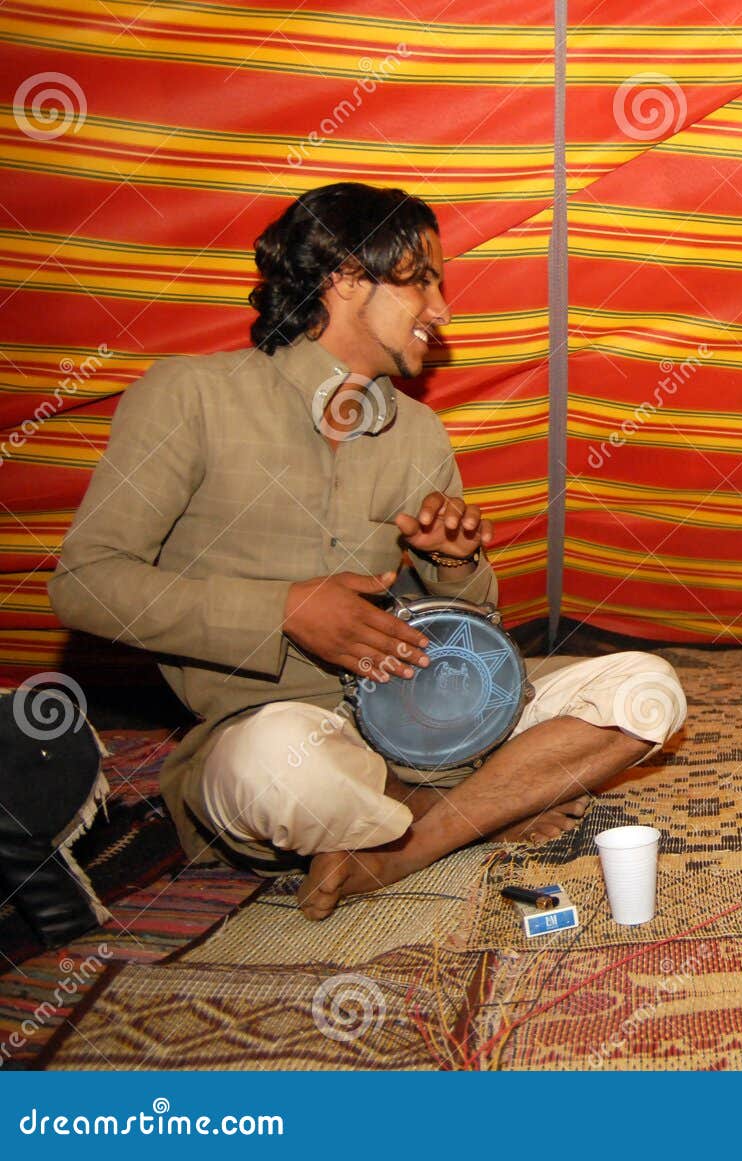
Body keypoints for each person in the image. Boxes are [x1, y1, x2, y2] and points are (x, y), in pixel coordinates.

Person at [50, 183, 686, 920]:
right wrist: (283, 610)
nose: (443, 310)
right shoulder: (189, 396)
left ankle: (408, 841)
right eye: (423, 281)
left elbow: (466, 629)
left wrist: (453, 566)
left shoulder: (418, 433)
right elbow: (87, 583)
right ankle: (472, 808)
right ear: (346, 278)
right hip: (279, 734)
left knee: (647, 689)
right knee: (280, 773)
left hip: (432, 724)